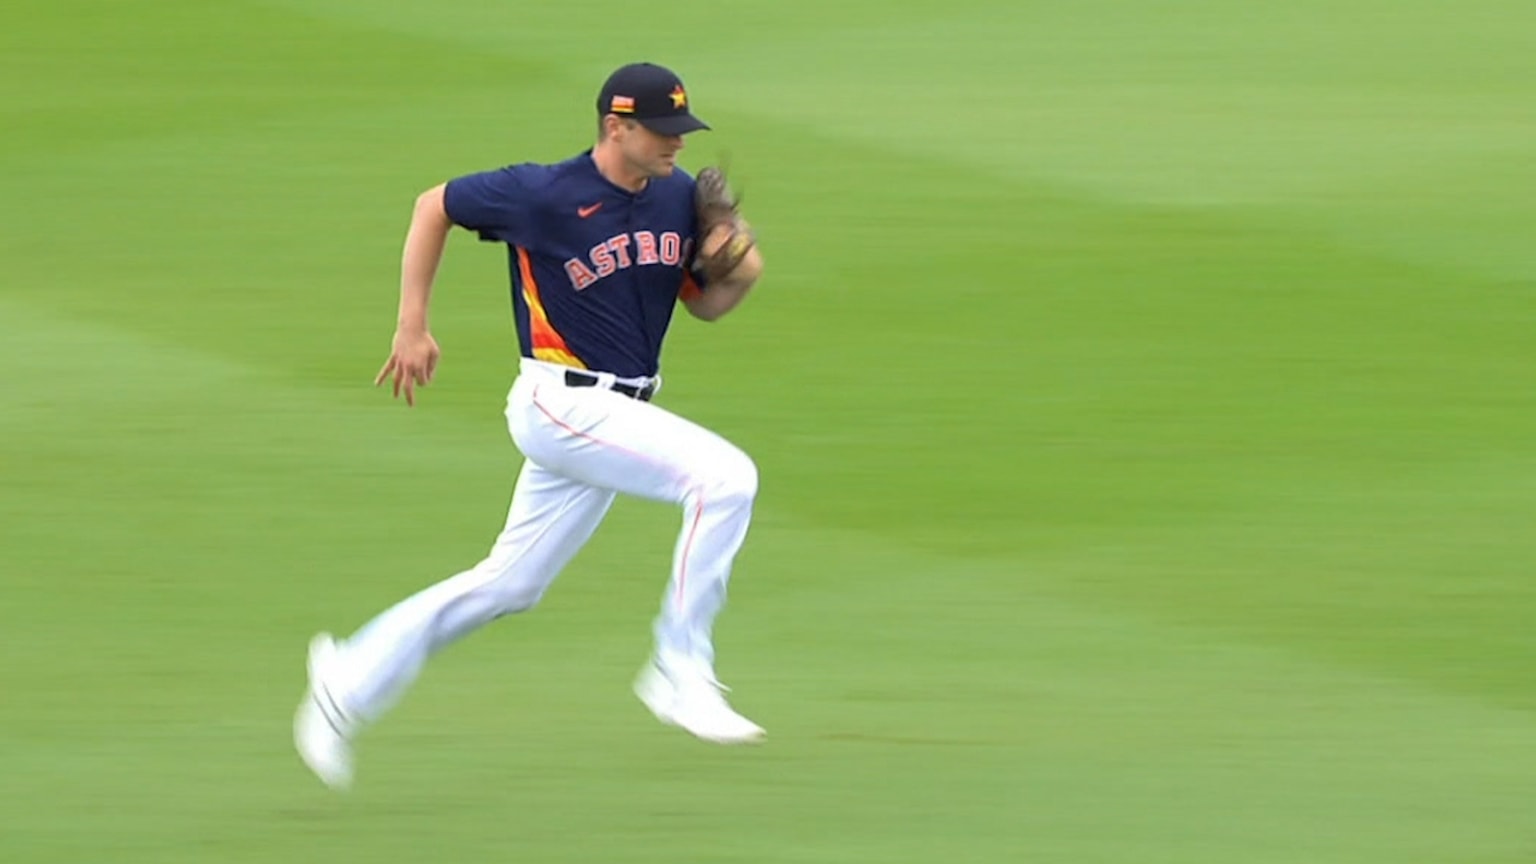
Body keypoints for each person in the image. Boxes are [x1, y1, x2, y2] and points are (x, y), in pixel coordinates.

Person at [293, 61, 768, 791]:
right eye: (662, 130)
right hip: (561, 403)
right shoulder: (543, 194)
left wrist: (737, 264)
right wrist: (411, 325)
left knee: (509, 584)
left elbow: (702, 305)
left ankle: (347, 678)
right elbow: (433, 206)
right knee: (725, 480)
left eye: (682, 129)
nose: (678, 144)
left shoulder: (674, 198)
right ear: (616, 127)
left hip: (620, 414)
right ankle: (679, 668)